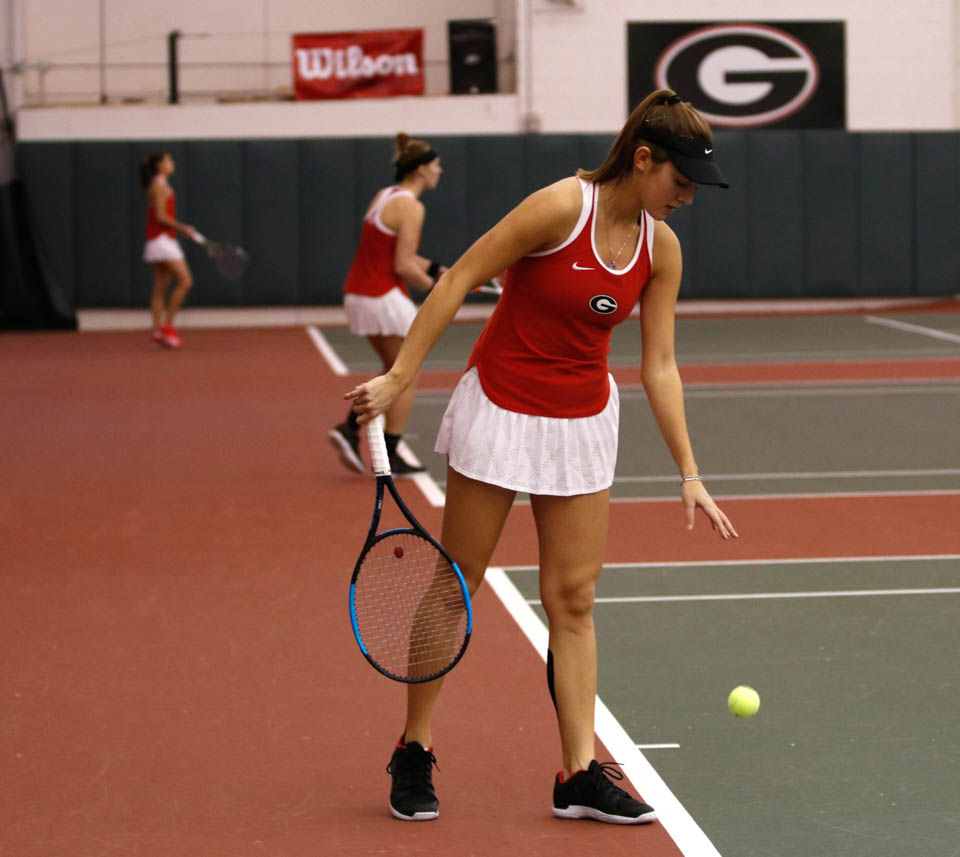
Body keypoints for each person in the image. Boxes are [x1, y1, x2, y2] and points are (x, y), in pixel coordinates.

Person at [346, 90, 740, 824]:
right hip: (500, 408)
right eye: (681, 181)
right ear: (643, 159)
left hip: (581, 423)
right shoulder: (560, 208)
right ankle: (414, 747)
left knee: (575, 599)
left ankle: (578, 773)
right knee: (456, 584)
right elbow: (459, 277)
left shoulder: (661, 248)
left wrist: (689, 471)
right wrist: (401, 376)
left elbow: (660, 364)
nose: (687, 197)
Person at [328, 133, 447, 476]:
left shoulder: (385, 196)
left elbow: (393, 253)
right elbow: (403, 265)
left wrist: (437, 269)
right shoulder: (412, 207)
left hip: (360, 293)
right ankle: (391, 452)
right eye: (436, 165)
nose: (439, 170)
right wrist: (441, 289)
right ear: (422, 169)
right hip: (382, 296)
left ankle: (349, 429)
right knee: (405, 374)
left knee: (391, 368)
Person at [140, 152, 198, 349]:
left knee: (160, 286)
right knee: (185, 281)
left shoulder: (161, 184)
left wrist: (179, 231)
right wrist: (184, 228)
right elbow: (160, 216)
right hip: (162, 240)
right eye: (168, 160)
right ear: (160, 165)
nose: (172, 163)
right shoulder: (159, 186)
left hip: (160, 239)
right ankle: (168, 327)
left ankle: (158, 331)